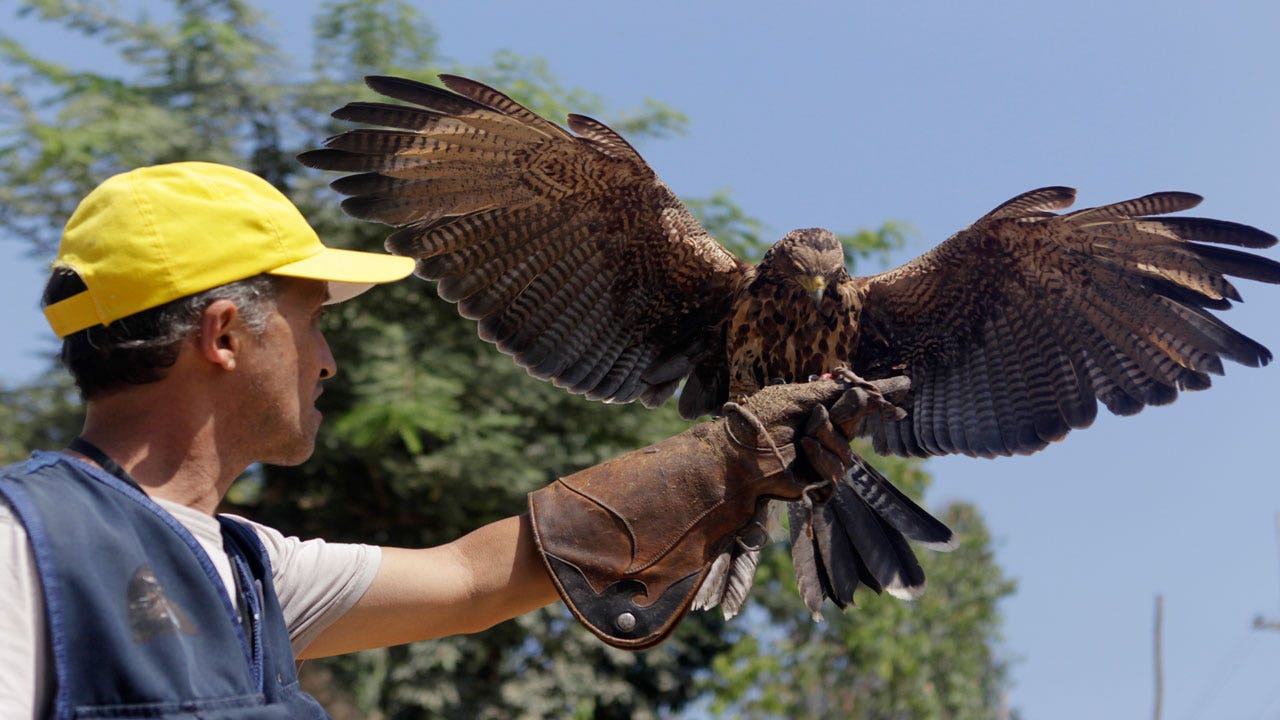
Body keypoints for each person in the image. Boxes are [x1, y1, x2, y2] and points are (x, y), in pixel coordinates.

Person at [0, 161, 888, 718]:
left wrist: (721, 466)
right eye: (313, 324)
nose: (329, 362)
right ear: (227, 335)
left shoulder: (249, 570)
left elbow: (468, 580)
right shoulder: (27, 551)